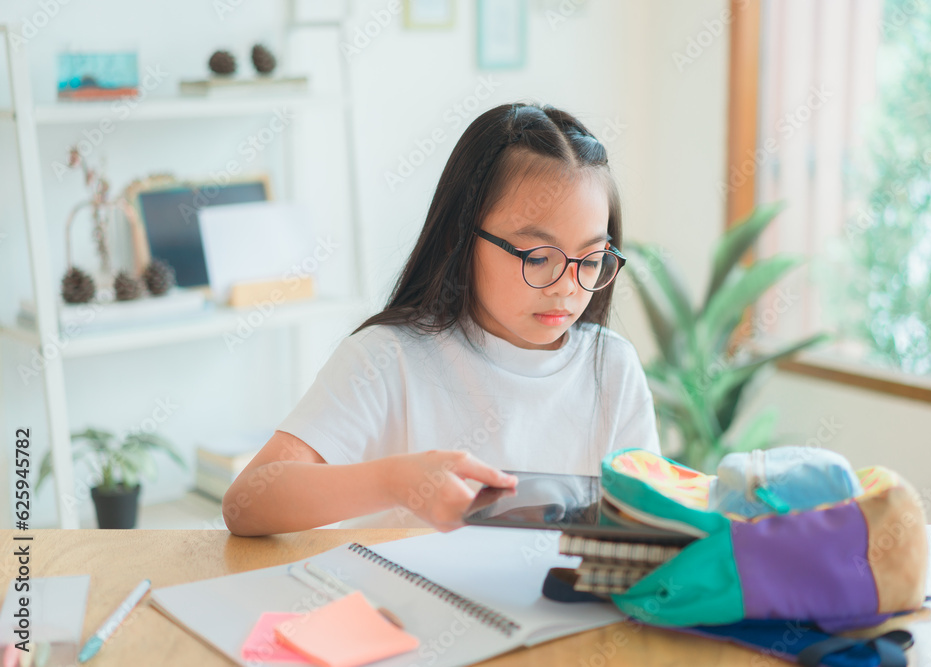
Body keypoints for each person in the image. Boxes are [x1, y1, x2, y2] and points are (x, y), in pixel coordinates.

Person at [223, 102, 660, 537]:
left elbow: (648, 521)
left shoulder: (613, 367)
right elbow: (248, 503)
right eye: (538, 257)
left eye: (591, 259)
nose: (566, 285)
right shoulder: (387, 358)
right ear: (459, 238)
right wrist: (397, 481)